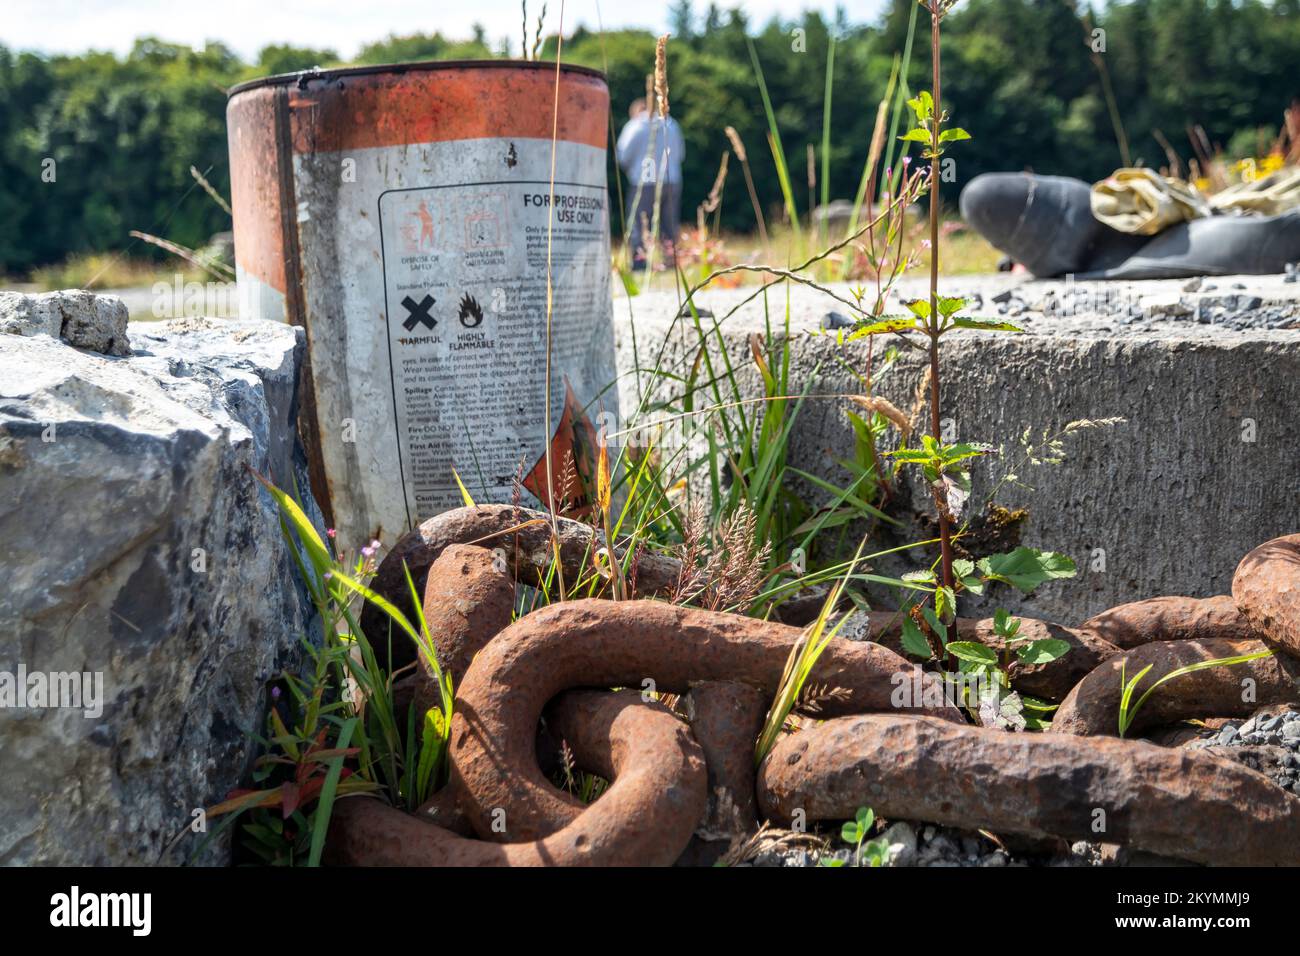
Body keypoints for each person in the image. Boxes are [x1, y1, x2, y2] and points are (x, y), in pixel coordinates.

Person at [616, 98, 686, 269]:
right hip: (672, 179)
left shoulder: (635, 126)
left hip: (644, 179)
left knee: (640, 223)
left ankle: (640, 263)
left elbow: (623, 155)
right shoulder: (671, 124)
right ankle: (671, 262)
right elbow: (681, 154)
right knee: (669, 223)